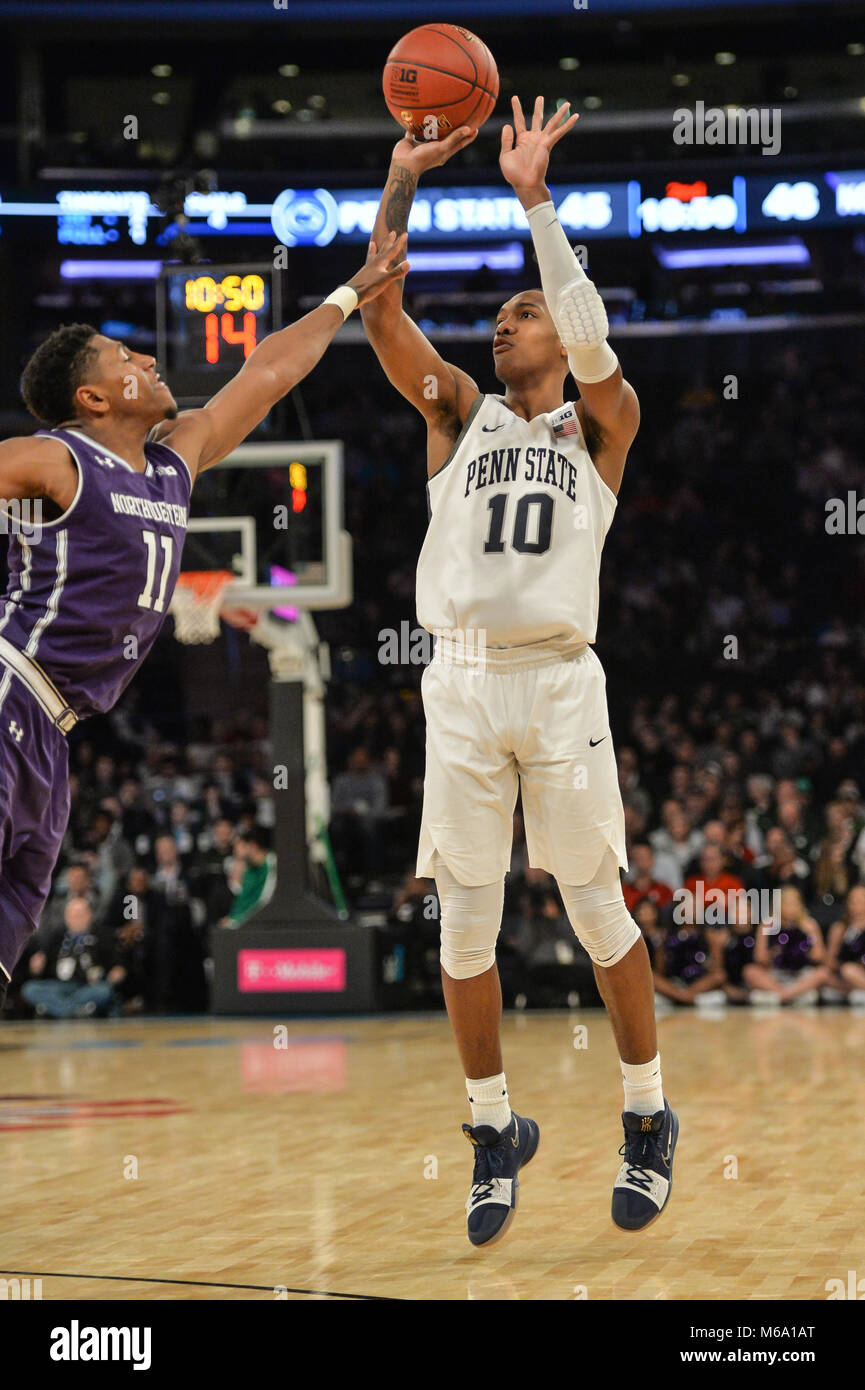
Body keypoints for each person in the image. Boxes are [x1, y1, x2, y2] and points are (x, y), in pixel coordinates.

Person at [360, 96, 676, 1245]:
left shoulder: (601, 425)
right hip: (458, 682)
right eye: (498, 312)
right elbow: (381, 307)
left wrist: (535, 202)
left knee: (598, 912)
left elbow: (595, 348)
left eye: (524, 311)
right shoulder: (457, 413)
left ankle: (646, 1114)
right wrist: (403, 178)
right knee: (462, 930)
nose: (506, 323)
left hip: (558, 680)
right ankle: (494, 1130)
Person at [0, 234, 409, 1007]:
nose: (150, 363)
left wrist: (350, 291)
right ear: (92, 398)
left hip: (55, 733)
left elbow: (269, 371)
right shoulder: (55, 460)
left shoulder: (172, 462)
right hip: (11, 690)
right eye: (126, 358)